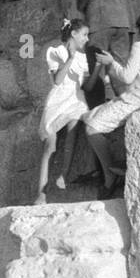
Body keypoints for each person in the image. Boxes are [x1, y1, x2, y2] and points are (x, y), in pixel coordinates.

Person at [82, 13, 140, 193]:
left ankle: (109, 173)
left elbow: (127, 77)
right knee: (96, 114)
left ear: (139, 30)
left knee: (91, 125)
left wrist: (110, 62)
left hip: (137, 101)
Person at [35, 18, 90, 202]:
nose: (86, 39)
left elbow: (86, 83)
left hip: (76, 97)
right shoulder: (55, 52)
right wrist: (71, 58)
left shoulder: (84, 57)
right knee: (50, 145)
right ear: (73, 34)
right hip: (59, 98)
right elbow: (57, 80)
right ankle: (40, 193)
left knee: (74, 126)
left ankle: (64, 174)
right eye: (84, 34)